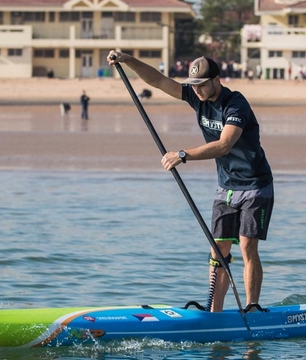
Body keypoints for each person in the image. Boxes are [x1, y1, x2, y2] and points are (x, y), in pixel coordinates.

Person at [107, 50, 274, 313]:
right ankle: (214, 313)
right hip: (226, 186)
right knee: (218, 251)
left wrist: (182, 155)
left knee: (246, 245)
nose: (196, 90)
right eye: (193, 85)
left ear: (217, 80)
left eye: (202, 84)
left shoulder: (236, 105)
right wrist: (129, 61)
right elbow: (160, 81)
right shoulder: (198, 98)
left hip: (255, 185)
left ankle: (252, 308)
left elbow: (224, 145)